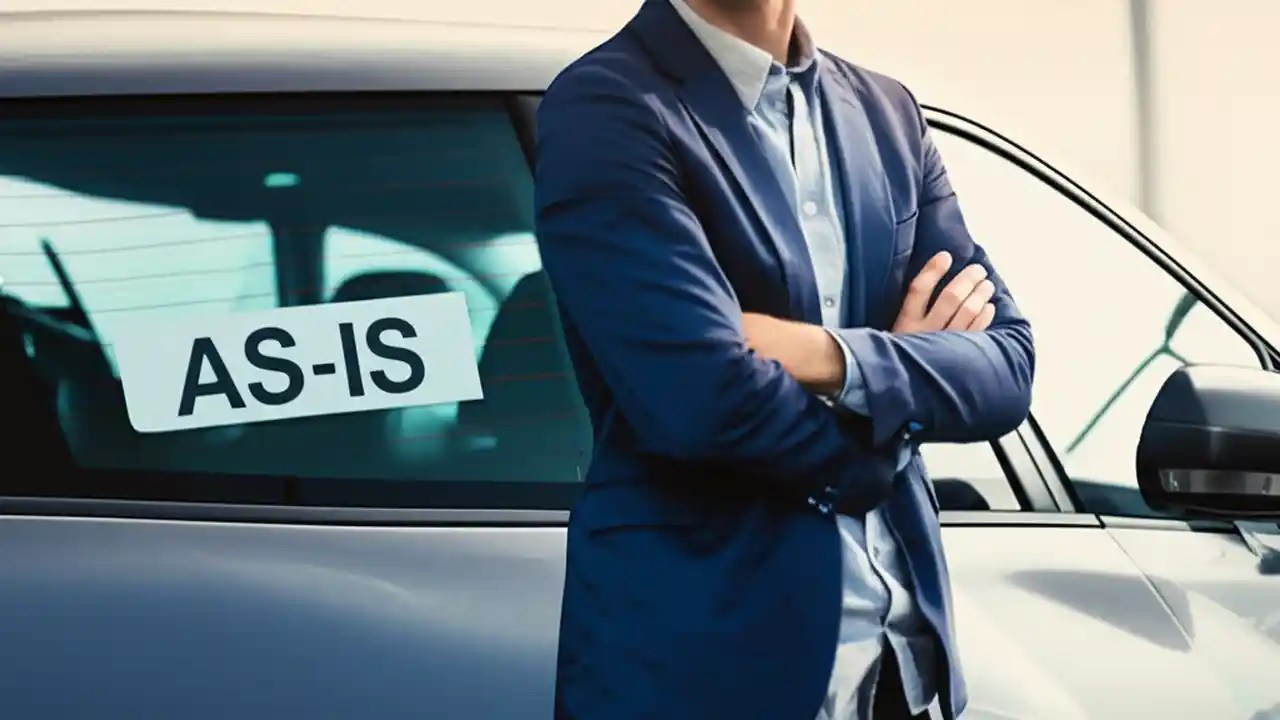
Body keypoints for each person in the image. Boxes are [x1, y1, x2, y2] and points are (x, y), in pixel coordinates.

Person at [534, 0, 1035, 717]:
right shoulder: (608, 105)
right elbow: (701, 401)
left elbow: (1007, 365)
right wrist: (892, 423)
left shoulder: (887, 114)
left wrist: (823, 354)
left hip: (899, 669)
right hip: (707, 672)